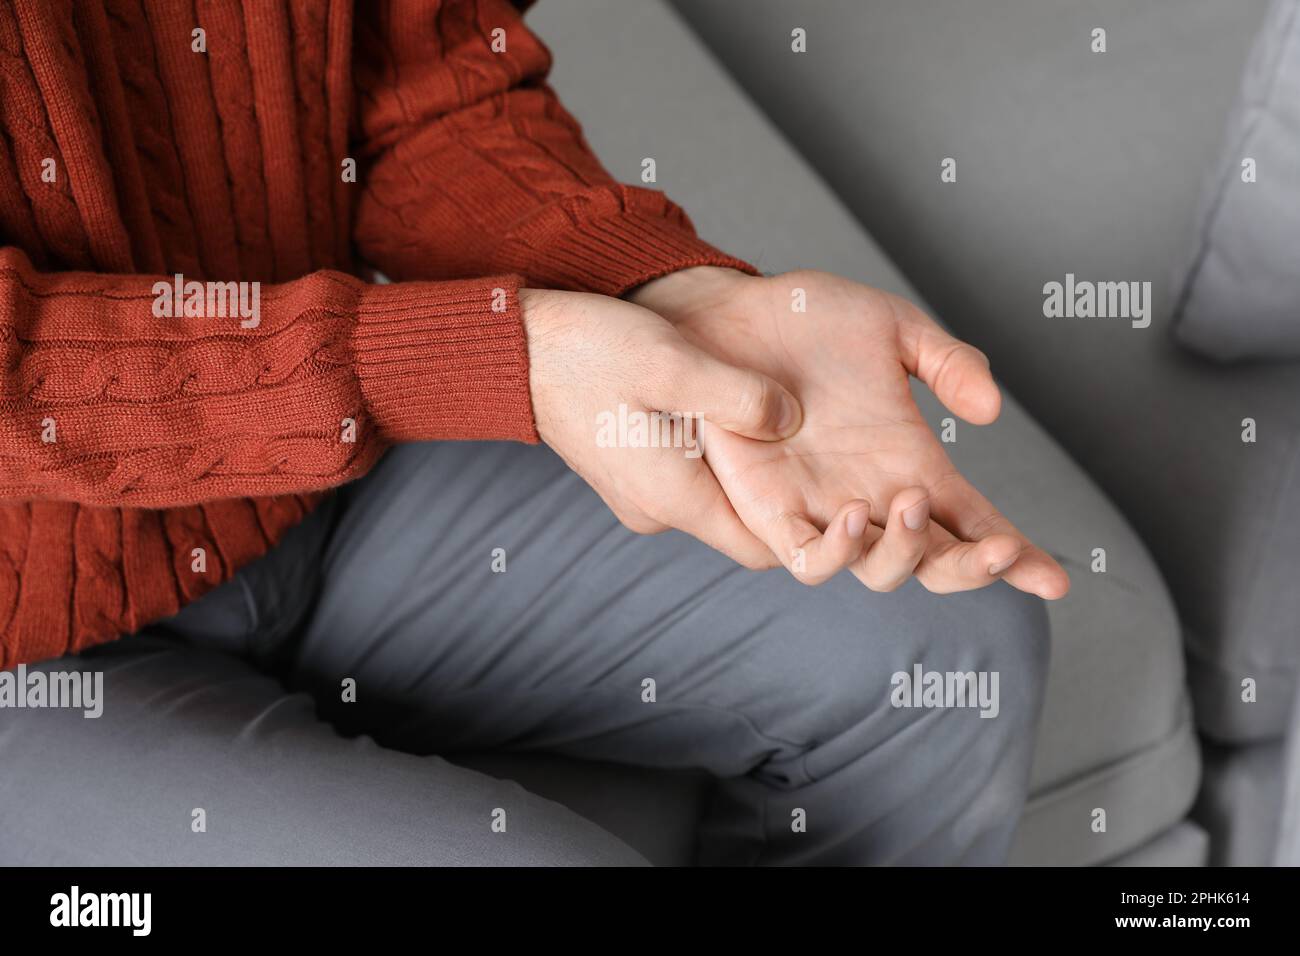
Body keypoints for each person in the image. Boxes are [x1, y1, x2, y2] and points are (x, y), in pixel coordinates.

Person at [0, 0, 1067, 865]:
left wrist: (668, 292)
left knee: (951, 645)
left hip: (314, 488)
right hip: (25, 642)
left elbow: (418, 86)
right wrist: (480, 357)